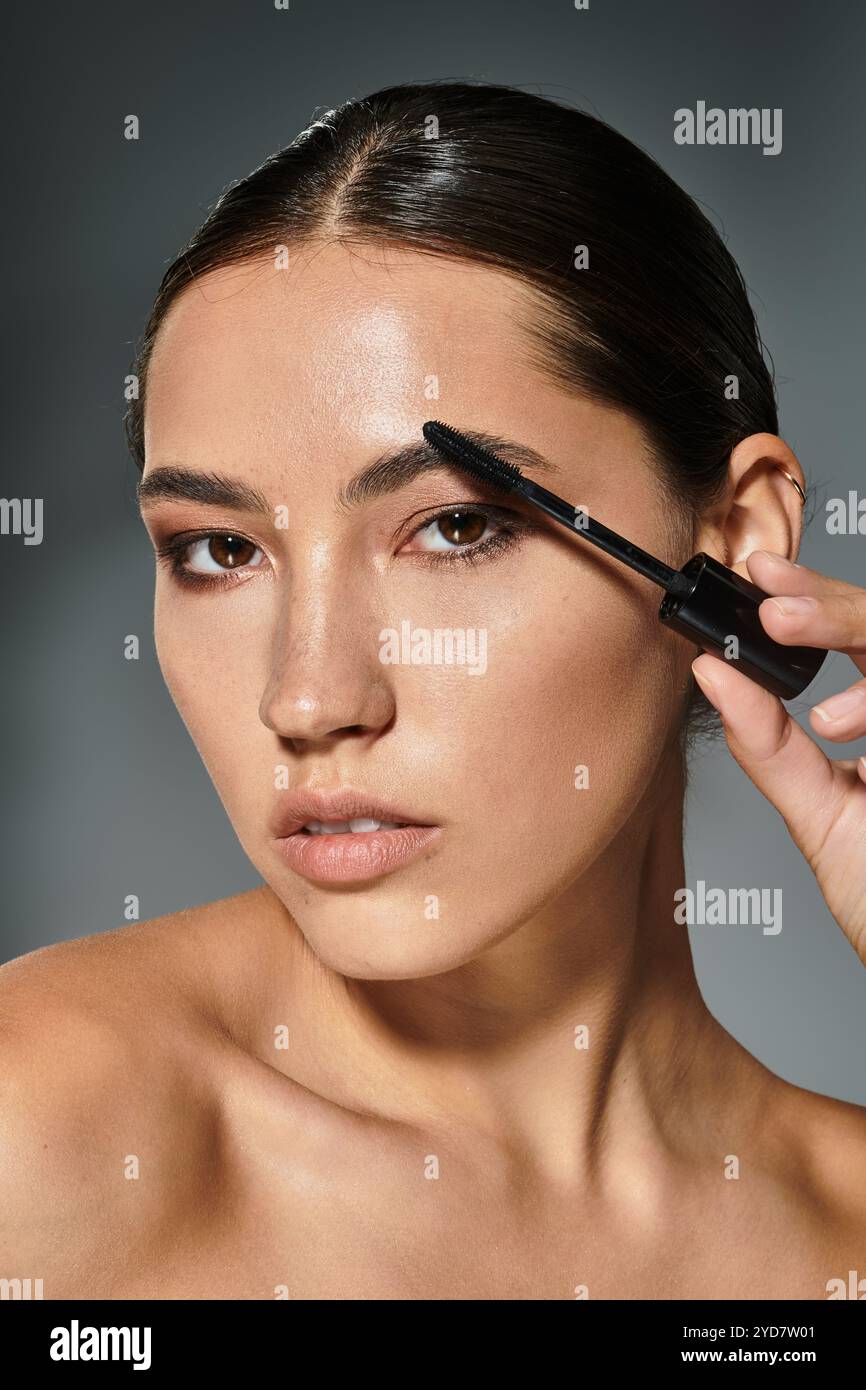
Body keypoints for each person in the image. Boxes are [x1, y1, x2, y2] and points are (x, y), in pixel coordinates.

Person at [2, 80, 865, 1300]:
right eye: (218, 549)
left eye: (455, 526)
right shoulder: (40, 1130)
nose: (307, 700)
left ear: (728, 544)